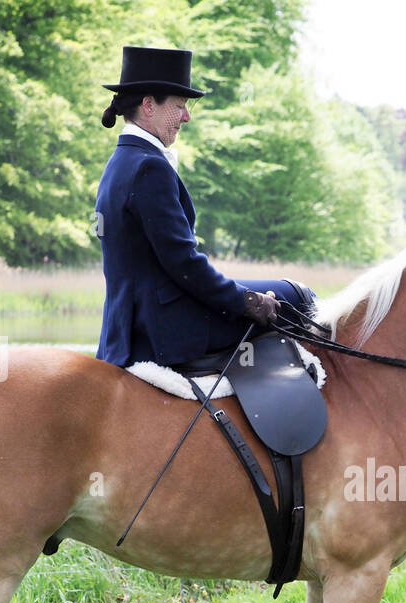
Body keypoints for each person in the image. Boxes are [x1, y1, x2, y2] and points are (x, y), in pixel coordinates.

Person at [94, 46, 317, 374]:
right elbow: (185, 265)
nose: (187, 116)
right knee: (302, 300)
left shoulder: (120, 162)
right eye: (180, 106)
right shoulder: (148, 168)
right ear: (148, 105)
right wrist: (247, 302)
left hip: (128, 323)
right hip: (162, 328)